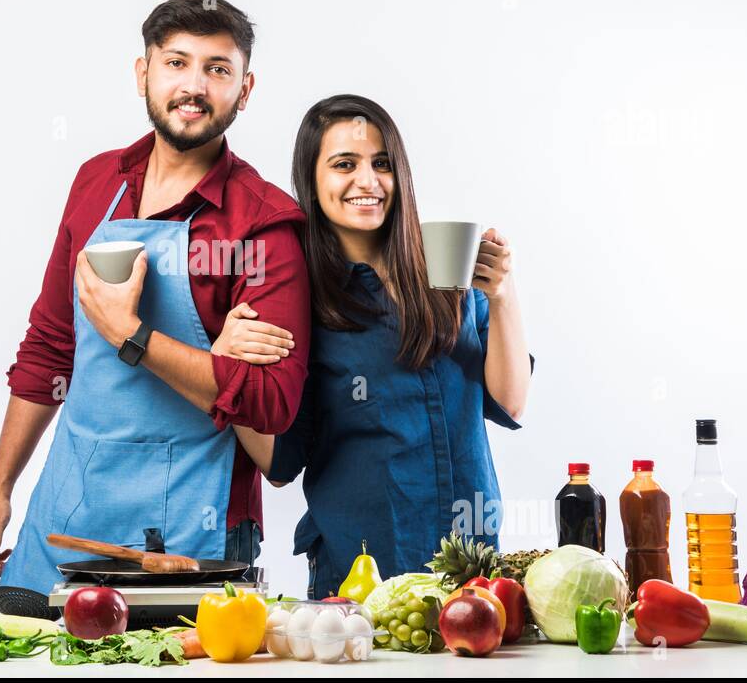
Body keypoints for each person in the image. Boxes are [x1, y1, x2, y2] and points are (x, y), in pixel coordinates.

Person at [0, 0, 312, 595]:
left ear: (246, 88)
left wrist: (133, 337)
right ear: (143, 73)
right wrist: (0, 485)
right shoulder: (96, 180)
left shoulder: (264, 225)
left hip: (192, 532)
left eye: (218, 69)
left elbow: (269, 404)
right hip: (69, 509)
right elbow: (51, 346)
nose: (194, 86)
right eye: (176, 63)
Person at [212, 94, 533, 599]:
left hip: (473, 571)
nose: (368, 181)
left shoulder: (447, 271)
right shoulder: (299, 300)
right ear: (312, 184)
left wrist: (503, 294)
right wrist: (226, 367)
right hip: (357, 579)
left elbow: (510, 401)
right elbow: (278, 463)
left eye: (381, 164)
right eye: (344, 164)